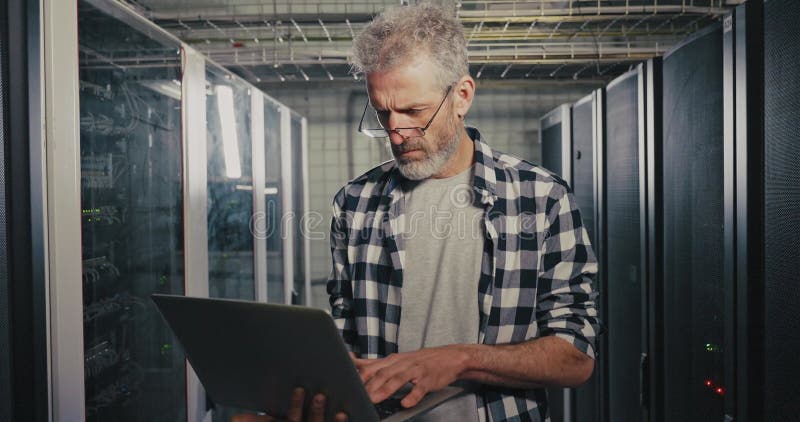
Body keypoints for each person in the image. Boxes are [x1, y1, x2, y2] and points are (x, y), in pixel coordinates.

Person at [237, 3, 601, 421]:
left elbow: (576, 358)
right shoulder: (354, 204)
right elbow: (344, 345)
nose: (396, 132)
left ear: (462, 96)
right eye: (382, 113)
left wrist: (460, 359)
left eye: (413, 112)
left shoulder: (542, 198)